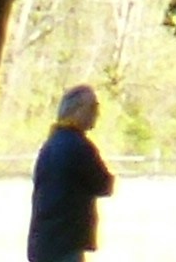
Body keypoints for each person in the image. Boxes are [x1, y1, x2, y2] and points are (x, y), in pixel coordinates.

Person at [29, 86, 116, 261]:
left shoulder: (50, 145)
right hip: (66, 244)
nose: (96, 114)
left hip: (43, 242)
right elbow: (104, 185)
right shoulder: (79, 146)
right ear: (75, 110)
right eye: (92, 107)